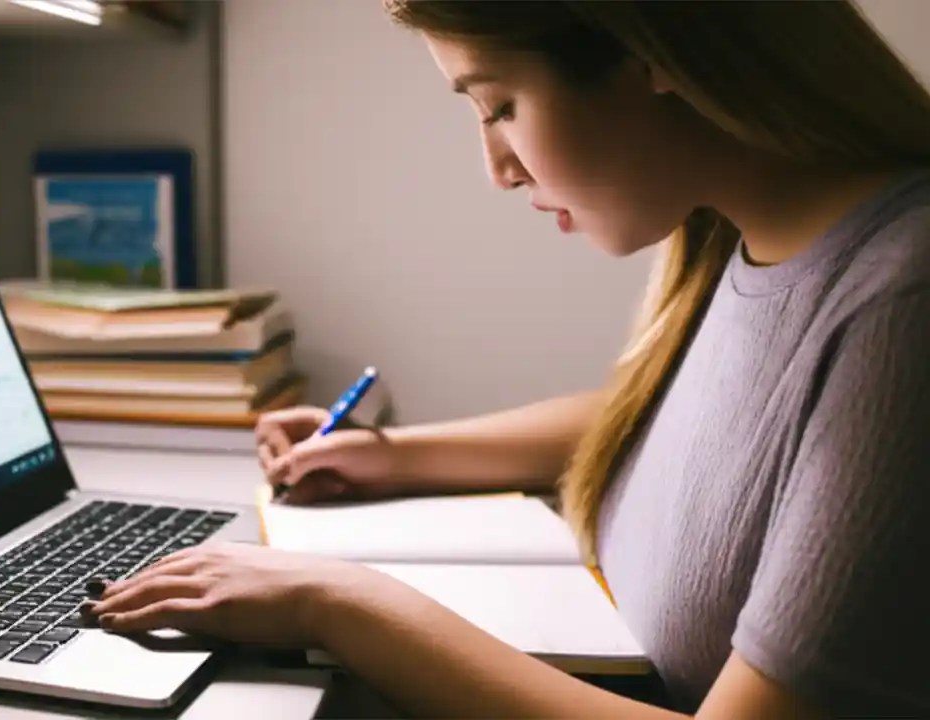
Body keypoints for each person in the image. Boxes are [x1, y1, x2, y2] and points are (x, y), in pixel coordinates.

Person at [82, 1, 930, 715]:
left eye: (498, 105)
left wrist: (337, 600)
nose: (496, 168)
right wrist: (398, 457)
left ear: (650, 57)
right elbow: (697, 427)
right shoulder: (745, 233)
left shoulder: (903, 301)